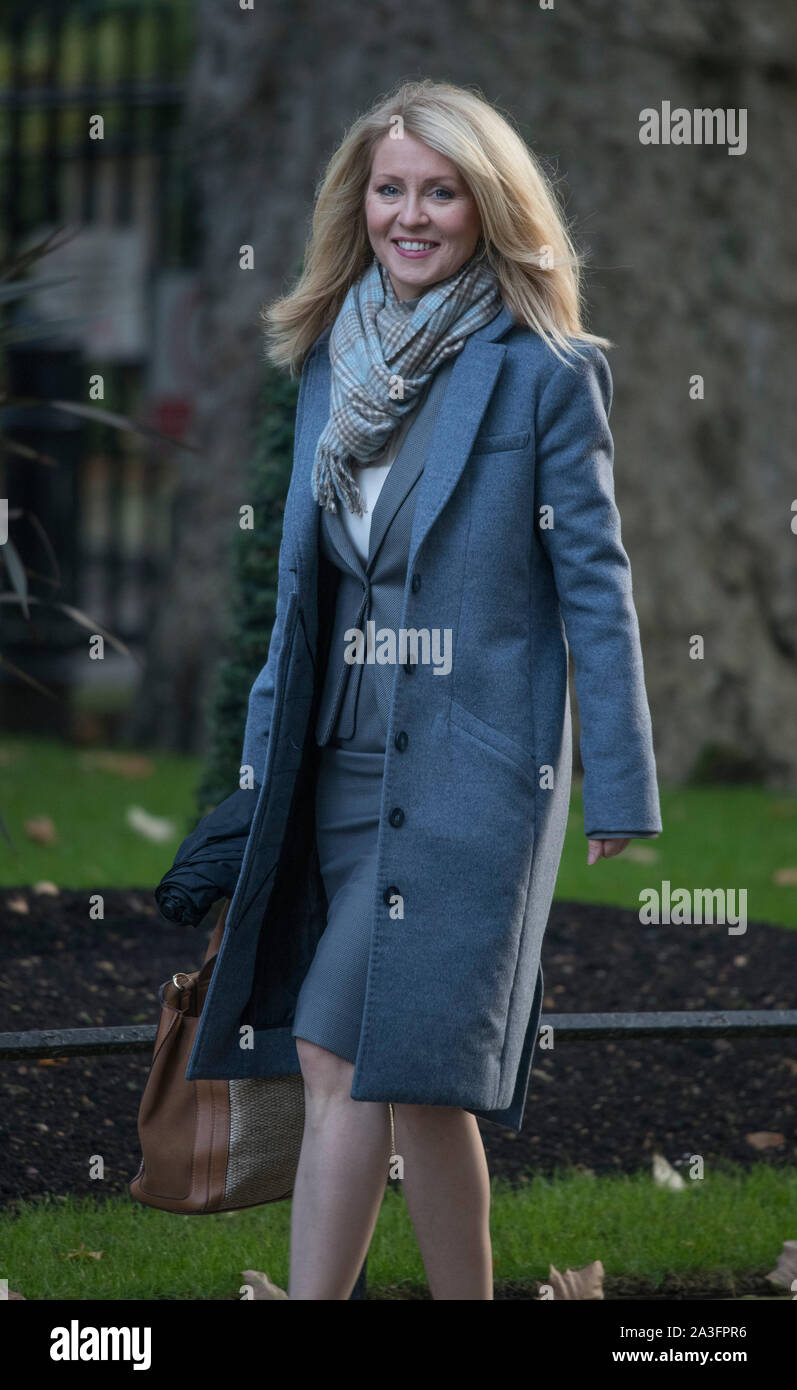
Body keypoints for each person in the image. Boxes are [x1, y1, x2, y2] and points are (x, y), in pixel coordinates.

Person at [158, 77, 662, 1300]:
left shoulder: (544, 369)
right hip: (336, 767)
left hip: (475, 777)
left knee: (339, 1048)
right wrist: (253, 775)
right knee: (418, 1088)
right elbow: (300, 593)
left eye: (440, 192)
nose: (412, 214)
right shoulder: (329, 359)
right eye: (391, 189)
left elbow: (593, 580)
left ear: (487, 208)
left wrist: (621, 785)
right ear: (359, 201)